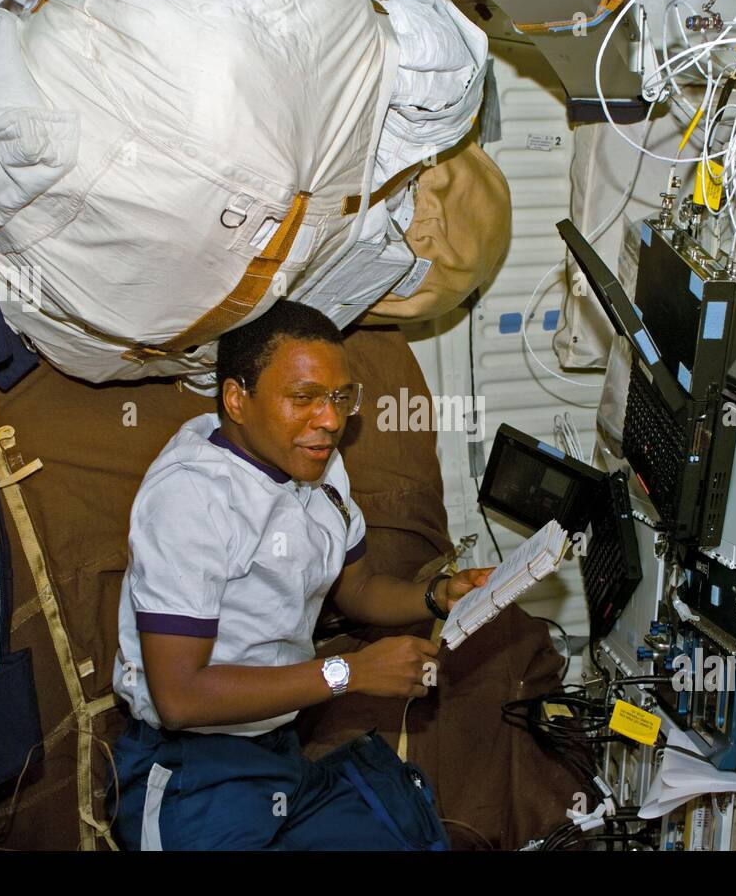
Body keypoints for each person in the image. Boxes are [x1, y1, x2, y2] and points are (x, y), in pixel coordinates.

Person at [111, 299, 492, 850]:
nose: (331, 420)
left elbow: (356, 589)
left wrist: (437, 596)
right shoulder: (191, 498)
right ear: (237, 399)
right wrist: (349, 673)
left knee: (409, 833)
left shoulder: (316, 464)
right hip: (191, 770)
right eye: (304, 398)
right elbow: (180, 696)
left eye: (341, 398)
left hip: (277, 750)